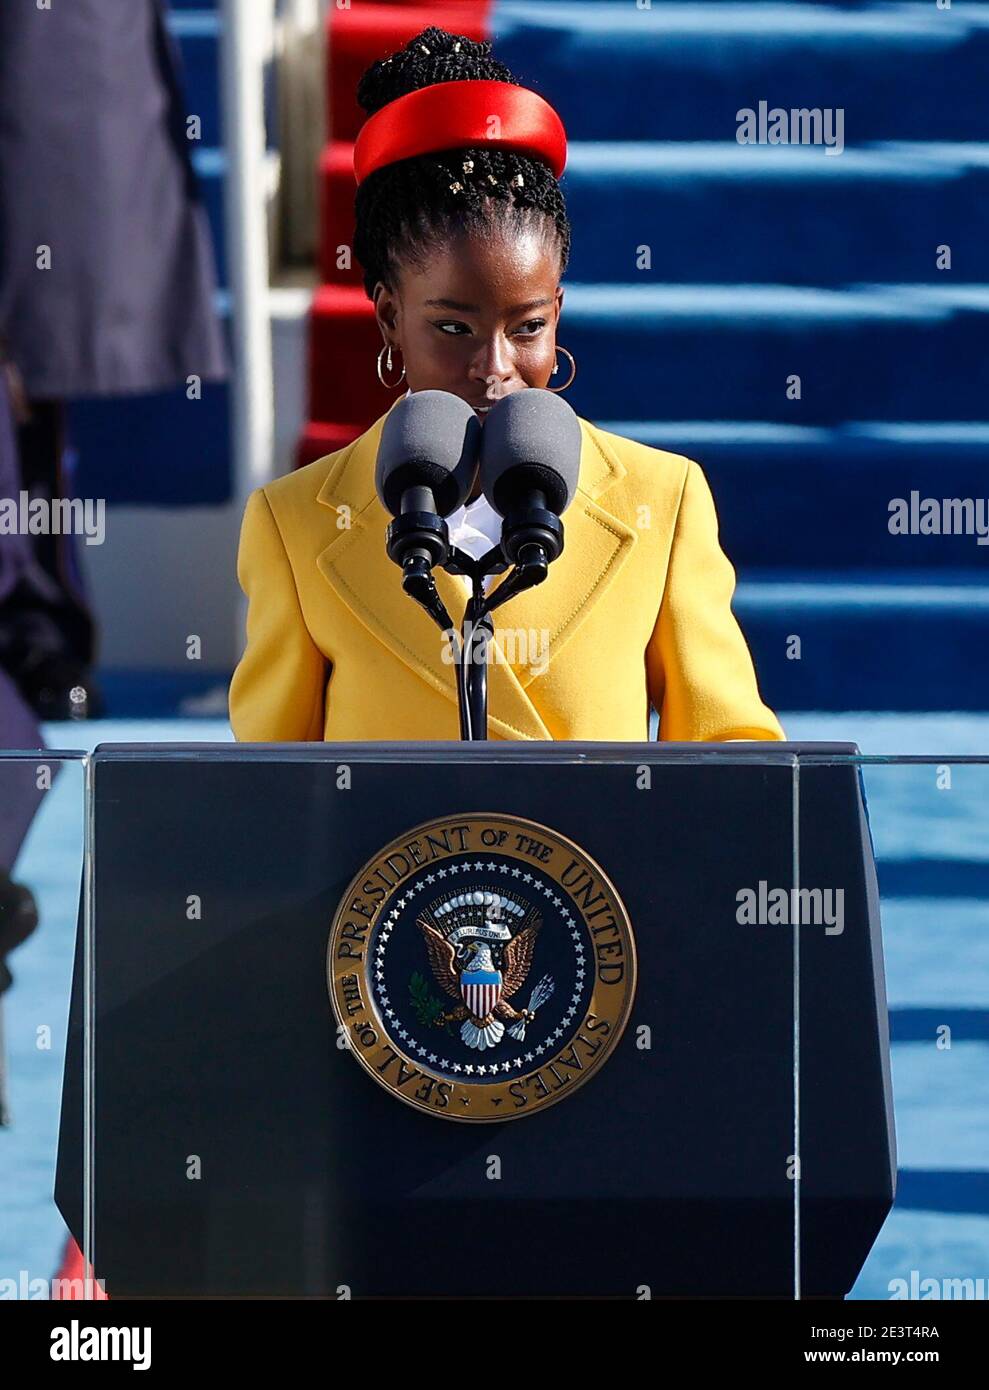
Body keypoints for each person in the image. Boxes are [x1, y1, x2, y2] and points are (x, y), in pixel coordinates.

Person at [229, 27, 783, 746]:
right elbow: (261, 788)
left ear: (556, 315)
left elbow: (729, 752)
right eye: (453, 329)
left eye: (525, 328)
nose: (494, 368)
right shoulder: (296, 522)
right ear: (390, 317)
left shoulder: (660, 502)